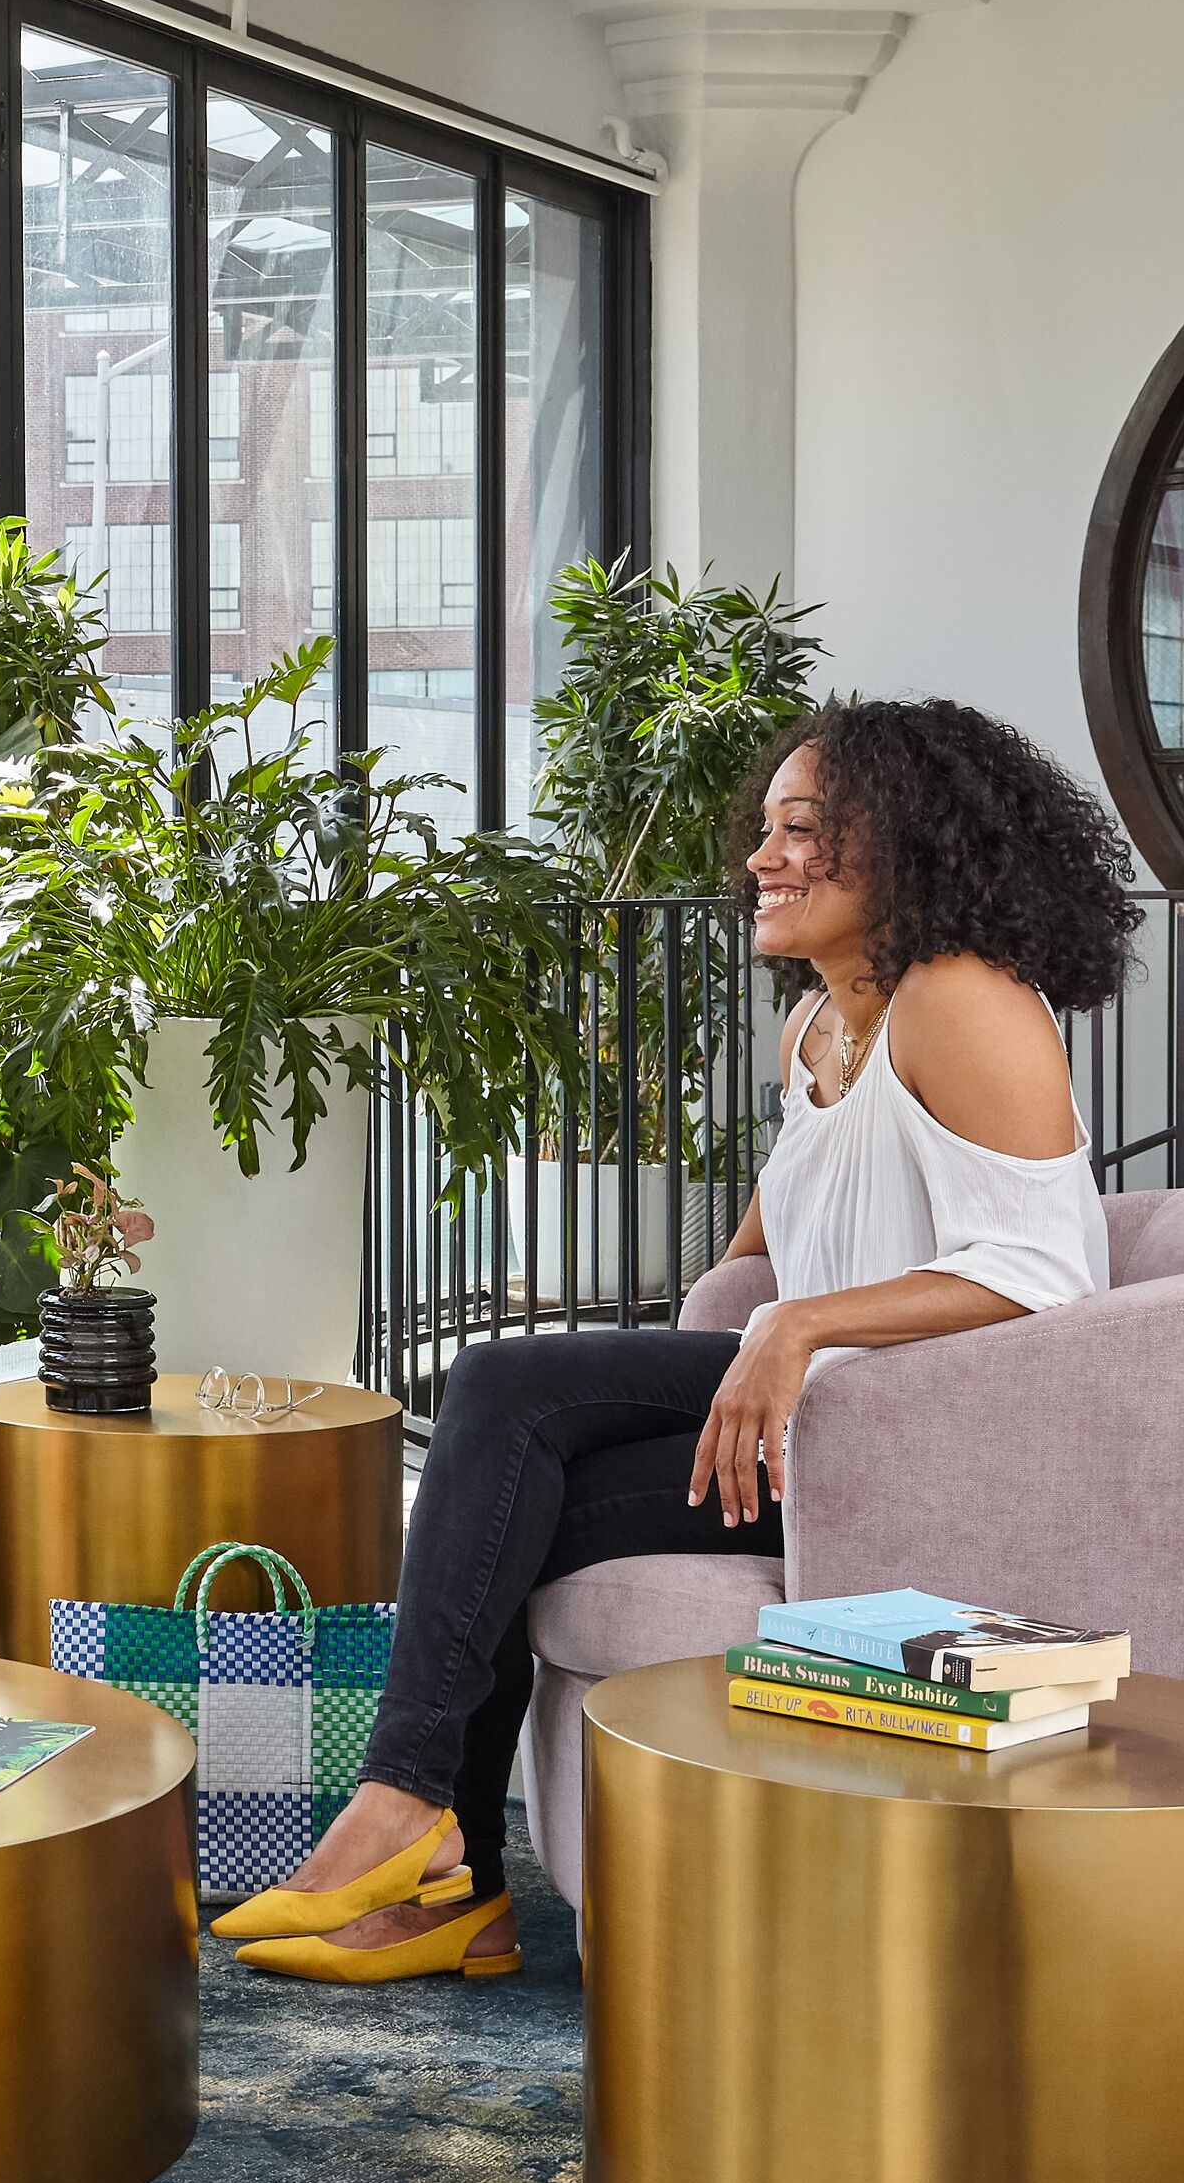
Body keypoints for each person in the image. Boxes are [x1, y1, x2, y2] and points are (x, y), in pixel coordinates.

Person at [215, 699, 1132, 1983]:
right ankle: (447, 1870)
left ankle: (417, 1828)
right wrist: (738, 1290)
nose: (763, 857)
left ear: (908, 841)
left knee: (501, 1395)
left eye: (803, 829)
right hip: (822, 1415)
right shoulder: (816, 1026)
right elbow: (815, 1194)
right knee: (507, 1474)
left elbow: (1048, 1275)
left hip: (915, 1445)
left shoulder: (963, 999)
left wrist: (796, 1323)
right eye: (767, 828)